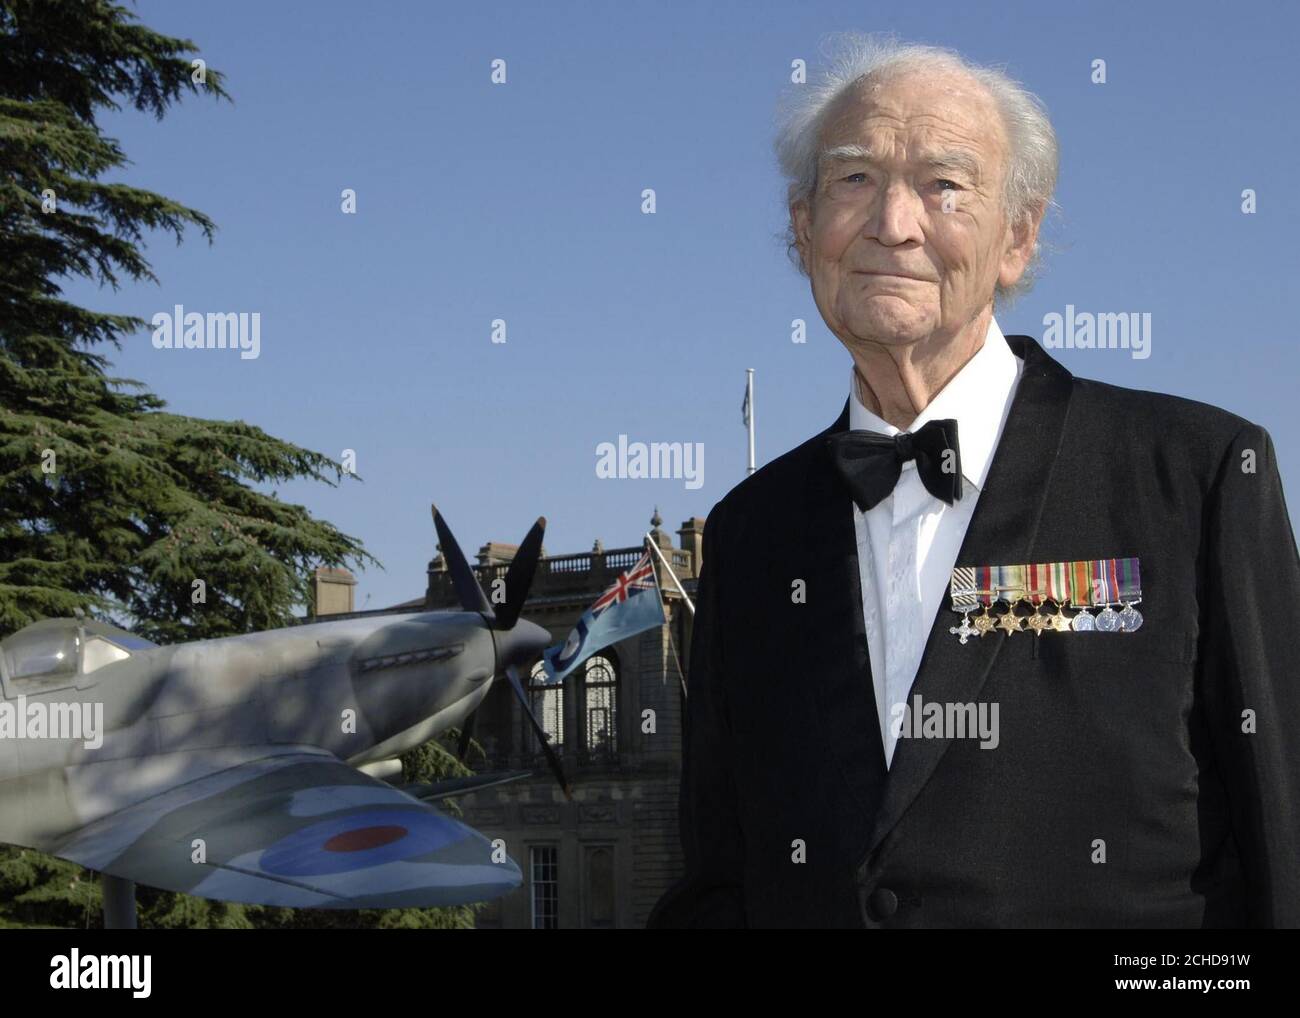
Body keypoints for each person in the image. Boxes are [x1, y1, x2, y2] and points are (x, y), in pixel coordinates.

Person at [647, 36, 1300, 928]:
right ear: (803, 230)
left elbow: (1284, 848)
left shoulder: (1198, 476)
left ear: (1017, 238)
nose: (894, 223)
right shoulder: (749, 533)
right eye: (853, 181)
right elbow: (722, 879)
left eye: (943, 185)